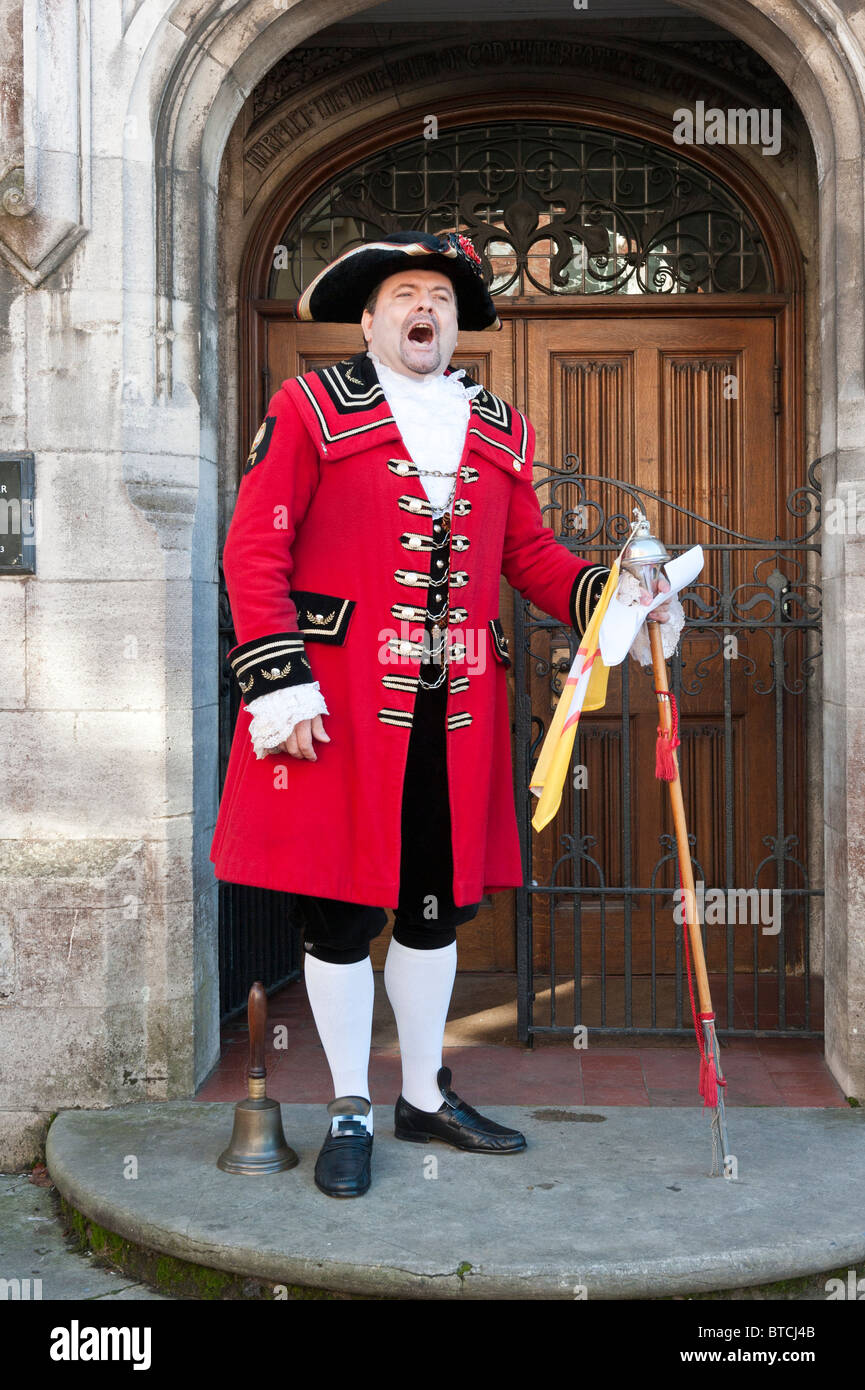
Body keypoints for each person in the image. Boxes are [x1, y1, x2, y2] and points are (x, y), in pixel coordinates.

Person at [210, 230, 683, 1197]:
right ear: (373, 318)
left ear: (457, 323)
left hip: (454, 706)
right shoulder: (309, 408)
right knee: (339, 915)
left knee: (433, 909)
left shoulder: (500, 427)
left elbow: (532, 559)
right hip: (335, 707)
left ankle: (423, 1095)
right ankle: (351, 1105)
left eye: (440, 298)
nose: (425, 310)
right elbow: (255, 549)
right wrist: (277, 681)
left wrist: (614, 591)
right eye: (406, 296)